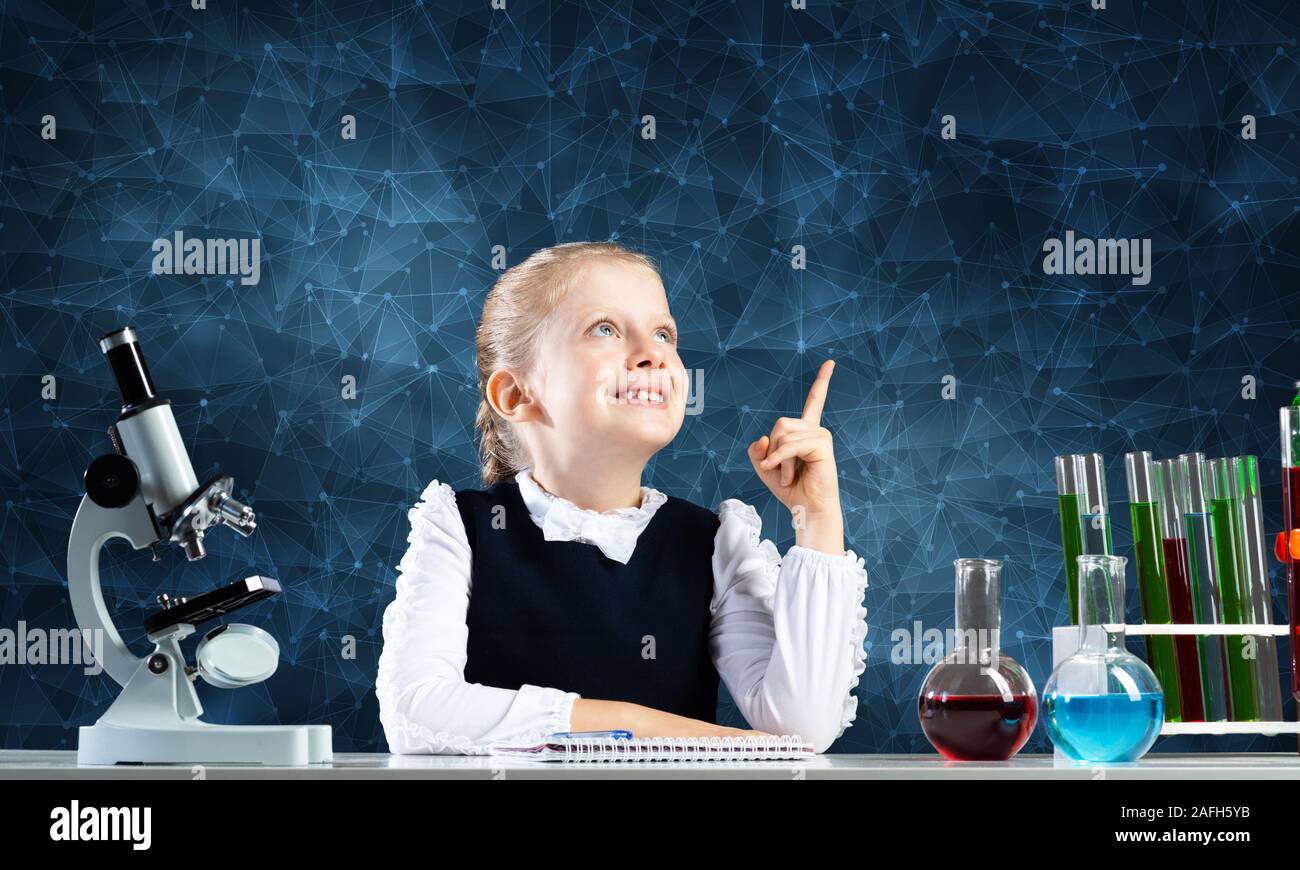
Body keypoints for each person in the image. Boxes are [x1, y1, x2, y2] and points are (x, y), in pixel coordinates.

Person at [376, 241, 868, 754]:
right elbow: (415, 710)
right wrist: (637, 725)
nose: (654, 353)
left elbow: (802, 727)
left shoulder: (714, 544)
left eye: (663, 333)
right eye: (605, 329)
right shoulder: (460, 529)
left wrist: (817, 517)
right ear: (515, 395)